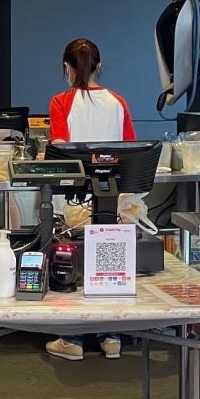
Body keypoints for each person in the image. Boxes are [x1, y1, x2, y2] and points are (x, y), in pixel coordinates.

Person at [45, 38, 135, 362]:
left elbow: (59, 151)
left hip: (73, 202)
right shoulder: (118, 102)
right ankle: (111, 337)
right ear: (100, 66)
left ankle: (72, 339)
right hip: (110, 201)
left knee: (74, 263)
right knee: (108, 264)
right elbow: (130, 151)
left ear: (66, 68)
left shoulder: (61, 102)